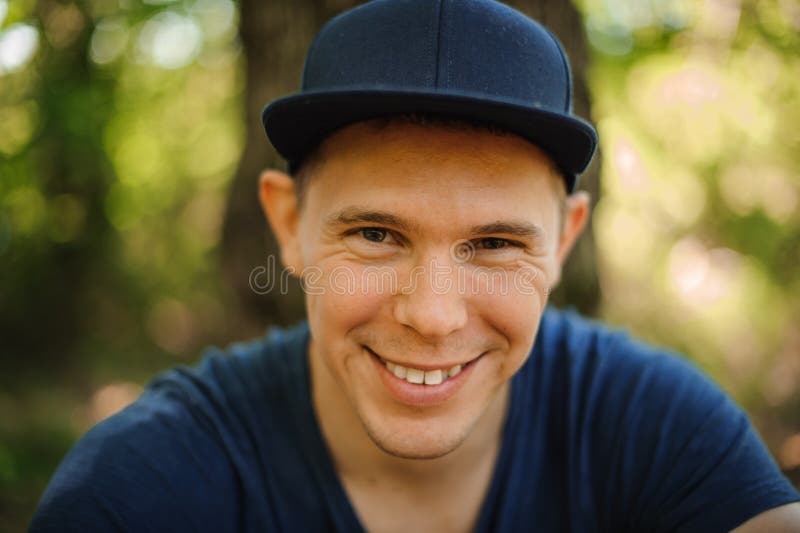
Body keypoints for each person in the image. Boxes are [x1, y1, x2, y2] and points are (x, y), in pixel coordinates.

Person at [31, 0, 800, 531]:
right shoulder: (141, 487)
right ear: (290, 225)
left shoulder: (656, 426)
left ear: (562, 244)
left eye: (495, 244)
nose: (432, 316)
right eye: (374, 233)